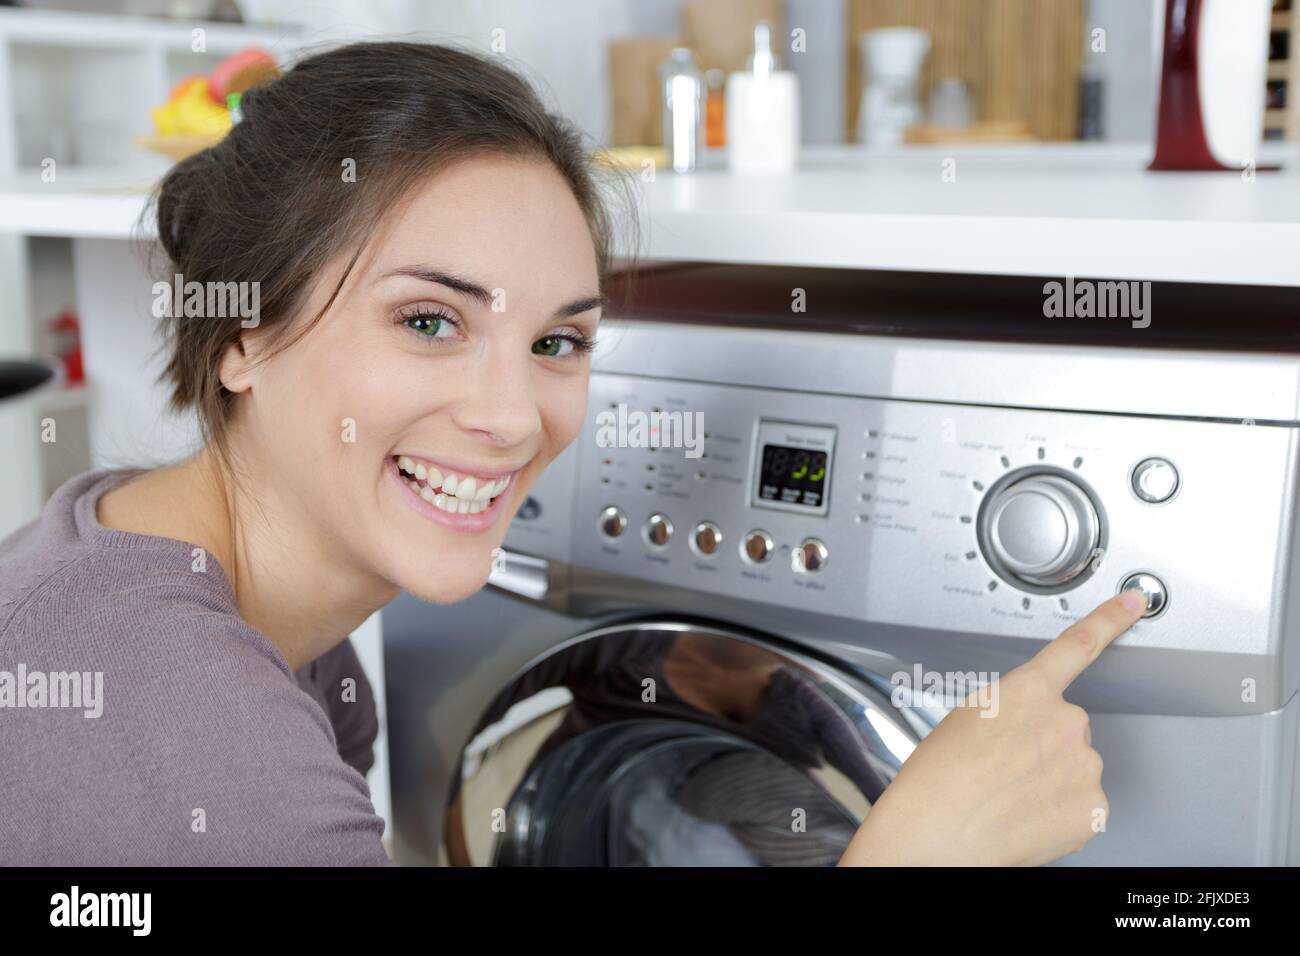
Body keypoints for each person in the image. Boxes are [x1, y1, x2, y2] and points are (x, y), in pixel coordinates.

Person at [0, 40, 1146, 866]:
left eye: (556, 340)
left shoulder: (142, 559)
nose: (510, 415)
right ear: (244, 334)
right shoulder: (193, 725)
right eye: (428, 321)